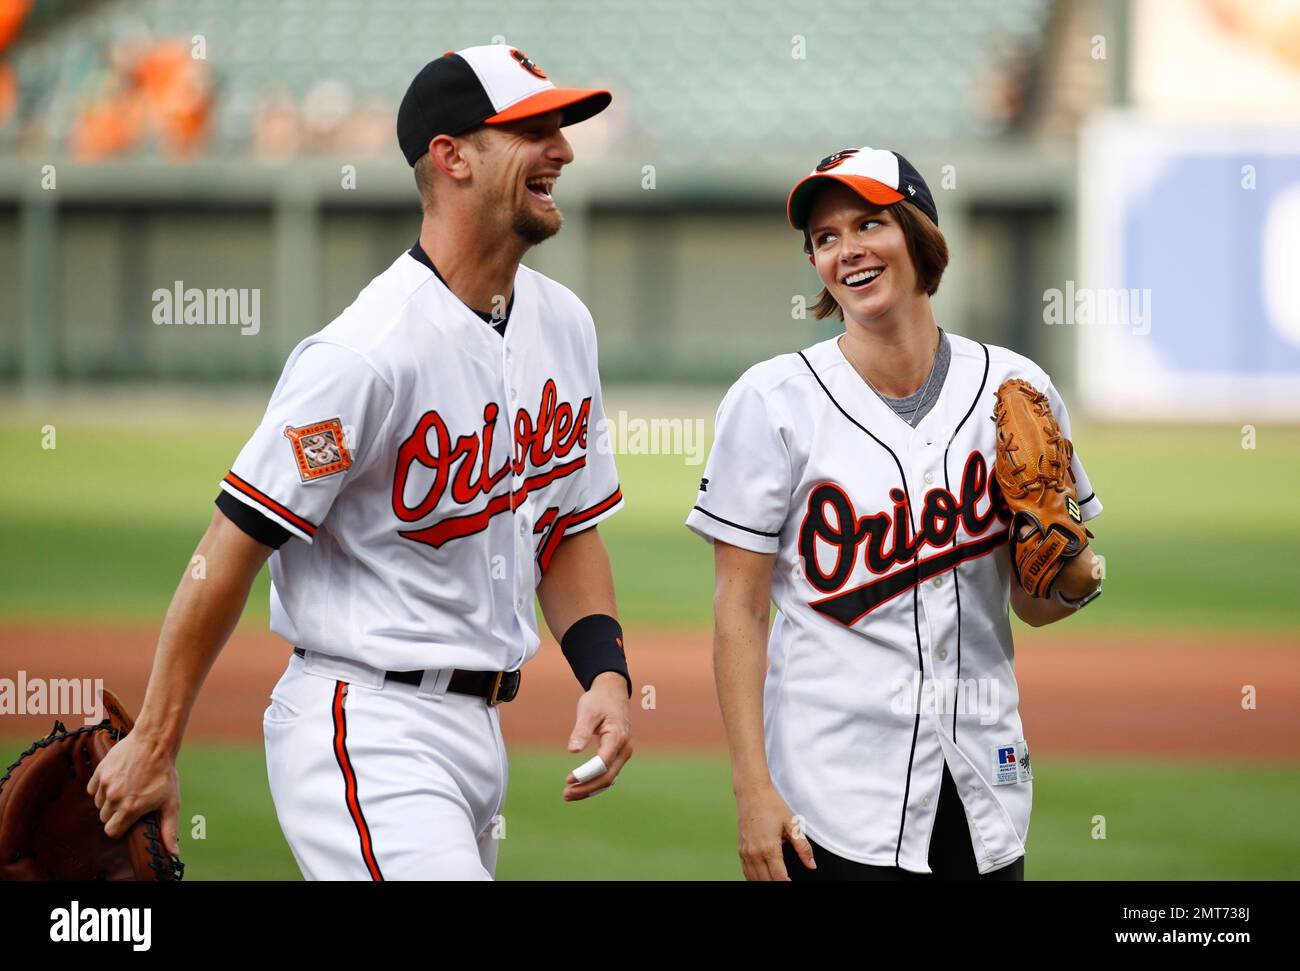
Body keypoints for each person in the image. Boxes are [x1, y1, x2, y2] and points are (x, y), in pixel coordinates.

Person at [87, 43, 634, 880]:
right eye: (532, 127)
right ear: (451, 156)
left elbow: (560, 526)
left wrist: (606, 672)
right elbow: (229, 547)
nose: (561, 147)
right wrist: (155, 743)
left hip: (478, 736)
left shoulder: (565, 326)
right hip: (364, 724)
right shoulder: (364, 354)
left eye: (560, 126)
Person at [686, 146, 1103, 881]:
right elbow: (740, 608)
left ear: (918, 234)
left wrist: (1079, 570)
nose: (847, 250)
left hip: (985, 789)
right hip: (830, 801)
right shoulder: (773, 400)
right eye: (825, 237)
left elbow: (1036, 602)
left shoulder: (1014, 387)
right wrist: (752, 788)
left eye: (868, 223)